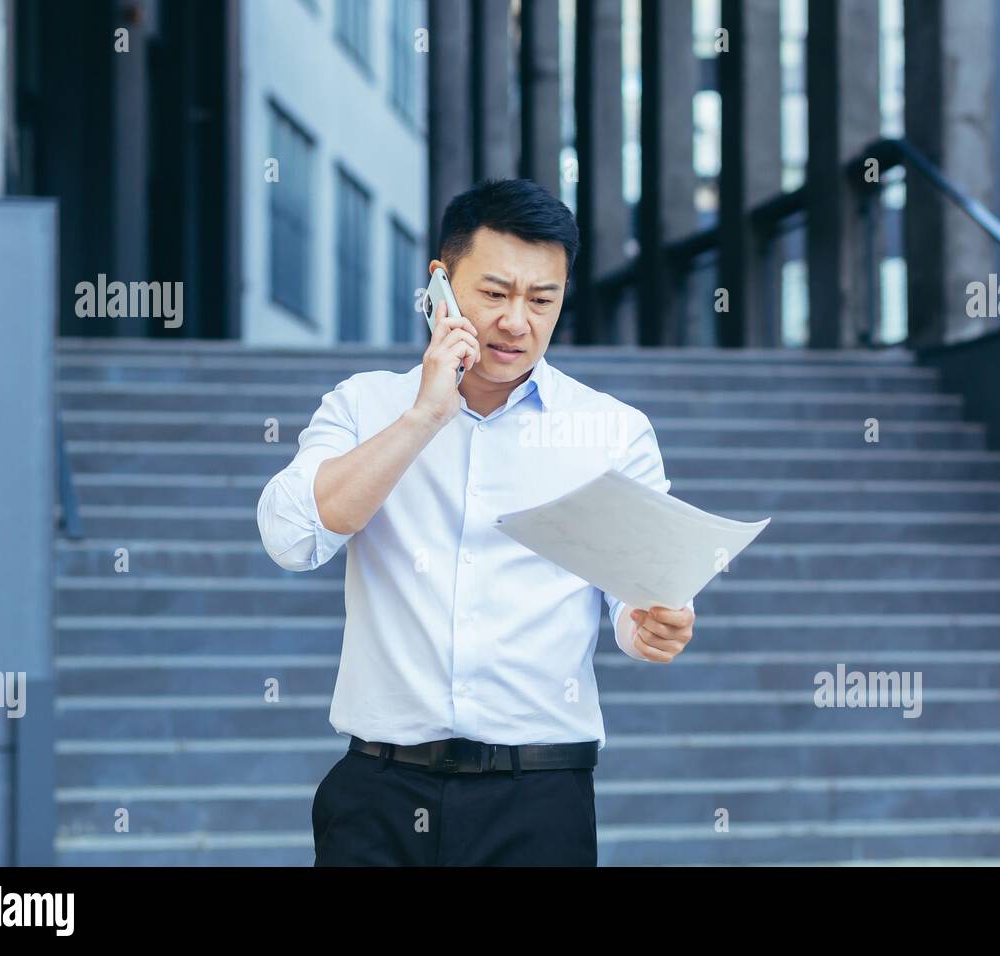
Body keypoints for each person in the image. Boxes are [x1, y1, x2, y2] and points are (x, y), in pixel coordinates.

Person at [257, 177, 696, 866]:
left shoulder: (612, 432)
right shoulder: (365, 406)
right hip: (378, 793)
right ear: (440, 283)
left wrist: (652, 628)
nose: (517, 322)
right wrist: (427, 414)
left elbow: (636, 605)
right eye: (494, 294)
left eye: (542, 300)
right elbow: (291, 538)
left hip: (539, 799)